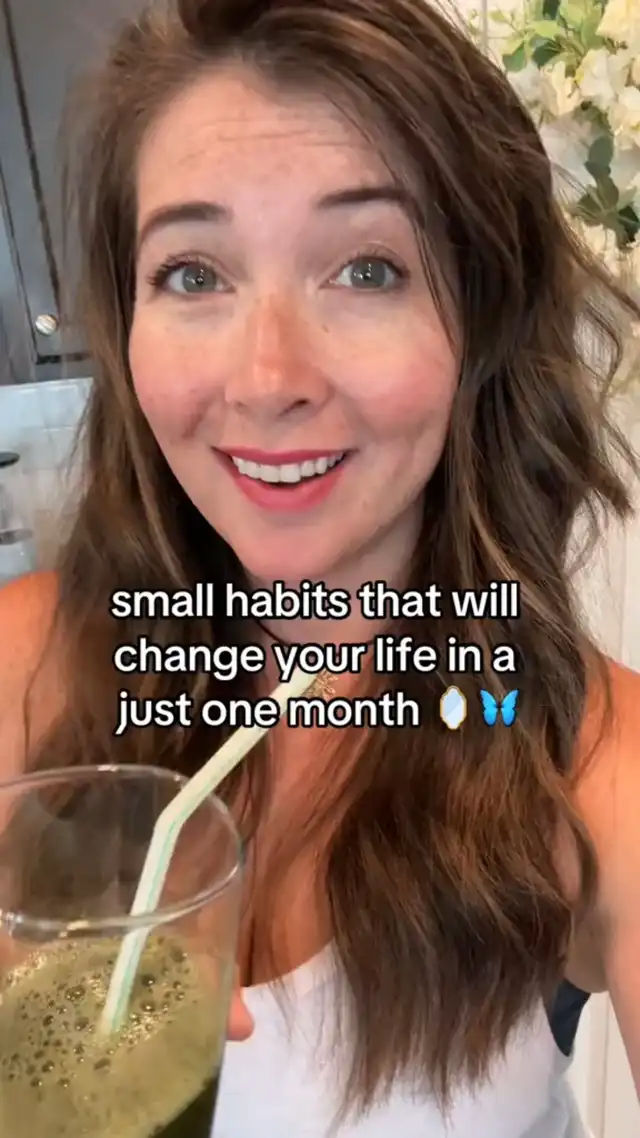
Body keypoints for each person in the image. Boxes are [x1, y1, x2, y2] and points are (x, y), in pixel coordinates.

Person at [0, 0, 639, 1133]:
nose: (267, 380)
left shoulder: (594, 769)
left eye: (367, 269)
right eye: (193, 273)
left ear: (481, 320)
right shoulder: (22, 664)